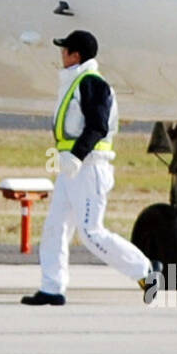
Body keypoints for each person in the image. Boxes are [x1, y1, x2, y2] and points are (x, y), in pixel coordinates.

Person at [21, 30, 158, 305]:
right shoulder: (73, 82)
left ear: (76, 55)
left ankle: (145, 272)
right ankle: (52, 287)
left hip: (89, 167)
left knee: (91, 233)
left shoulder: (92, 83)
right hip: (72, 169)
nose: (61, 55)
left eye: (65, 50)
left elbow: (98, 125)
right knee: (55, 228)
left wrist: (77, 155)